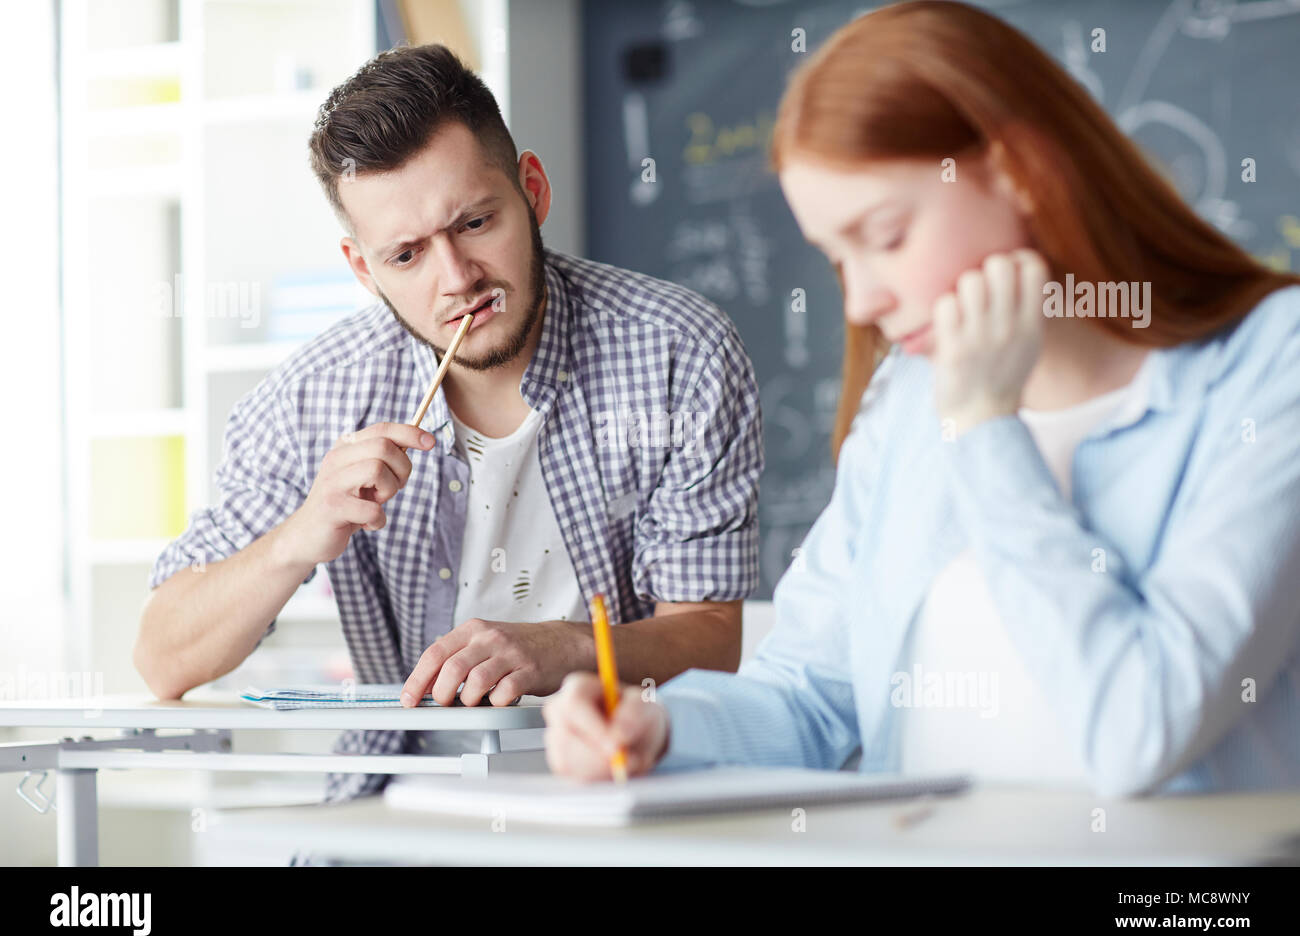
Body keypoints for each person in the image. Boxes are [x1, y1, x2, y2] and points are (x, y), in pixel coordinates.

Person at [542, 0, 1300, 797]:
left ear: (1020, 173)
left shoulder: (1271, 367)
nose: (863, 301)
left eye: (888, 236)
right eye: (838, 259)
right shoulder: (908, 399)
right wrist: (656, 727)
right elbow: (806, 697)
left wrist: (985, 430)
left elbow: (1139, 730)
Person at [136, 44, 763, 803]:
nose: (456, 278)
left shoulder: (679, 352)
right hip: (402, 799)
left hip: (621, 790)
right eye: (406, 254)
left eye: (474, 222)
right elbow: (162, 658)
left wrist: (560, 652)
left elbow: (710, 641)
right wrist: (299, 536)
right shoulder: (313, 397)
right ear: (364, 270)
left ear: (532, 191)